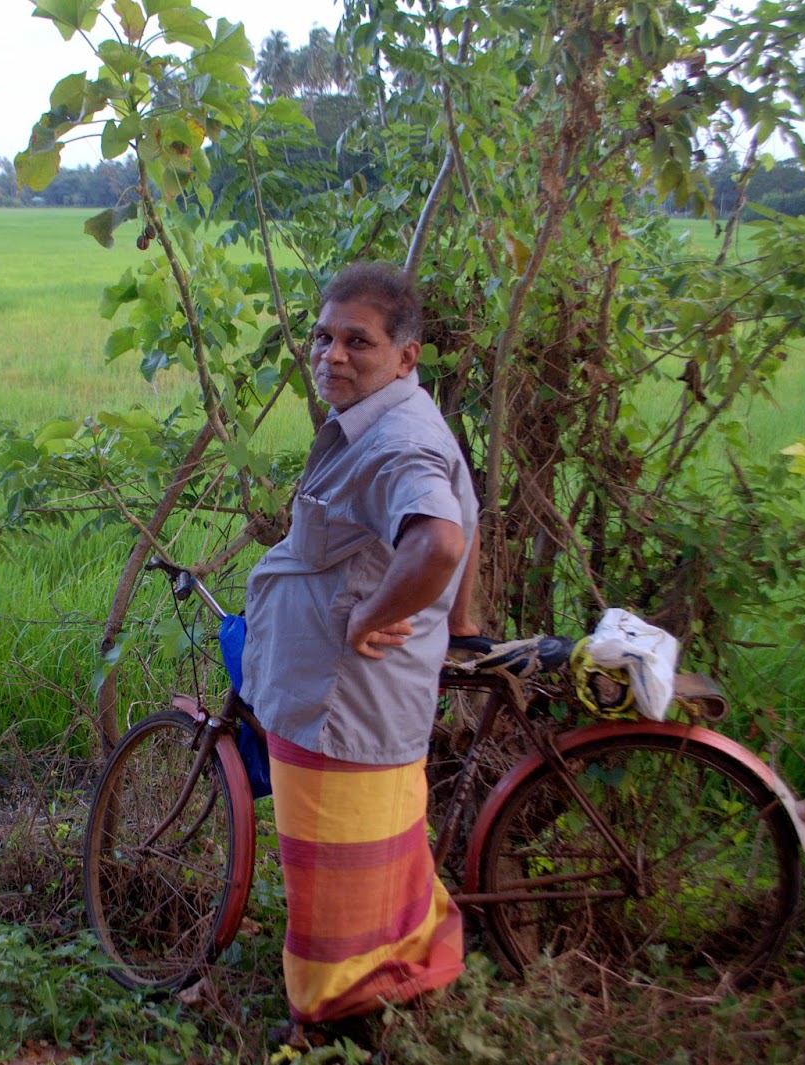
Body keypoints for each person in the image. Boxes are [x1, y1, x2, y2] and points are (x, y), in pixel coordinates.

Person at [240, 261, 480, 1032]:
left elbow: (440, 540)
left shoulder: (396, 440)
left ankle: (331, 1019)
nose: (332, 355)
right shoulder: (396, 419)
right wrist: (463, 624)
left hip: (341, 705)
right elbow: (466, 521)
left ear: (406, 356)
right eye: (322, 336)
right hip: (346, 700)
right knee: (377, 860)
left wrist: (366, 615)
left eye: (358, 342)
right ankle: (398, 987)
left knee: (334, 877)